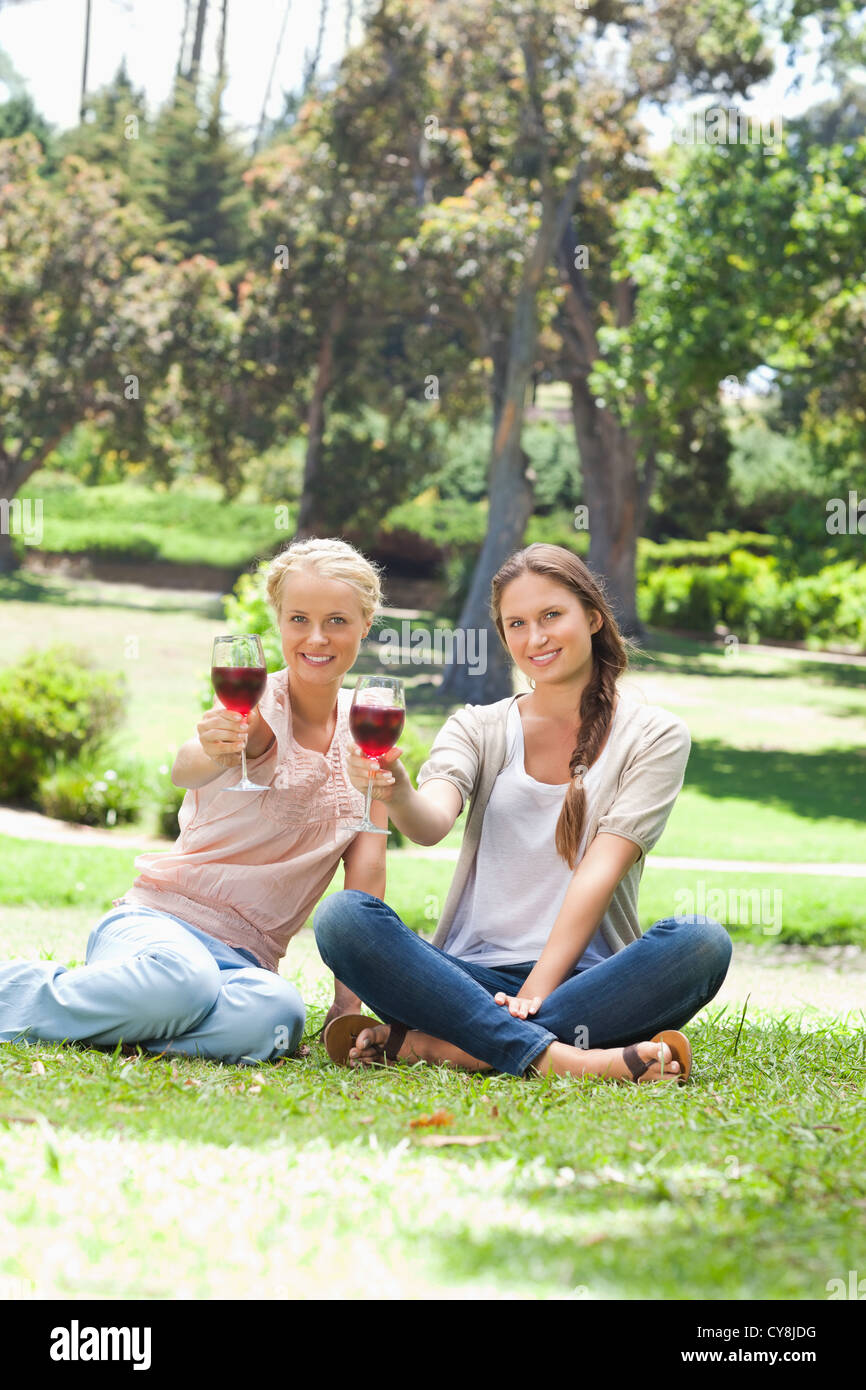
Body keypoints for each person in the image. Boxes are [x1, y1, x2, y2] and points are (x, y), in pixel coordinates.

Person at [315, 543, 732, 1085]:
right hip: (466, 978)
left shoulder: (654, 736)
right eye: (516, 624)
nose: (535, 638)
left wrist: (535, 991)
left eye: (551, 615)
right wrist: (396, 792)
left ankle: (441, 1046)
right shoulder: (478, 727)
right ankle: (570, 1061)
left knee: (701, 941)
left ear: (593, 616)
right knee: (344, 919)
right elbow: (430, 822)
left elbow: (599, 873)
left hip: (591, 981)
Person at [0, 538, 386, 1065]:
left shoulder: (369, 735)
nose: (316, 637)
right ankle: (17, 992)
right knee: (183, 981)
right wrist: (212, 746)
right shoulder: (255, 704)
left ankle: (125, 1023)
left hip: (246, 963)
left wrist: (347, 1005)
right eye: (299, 618)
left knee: (277, 1017)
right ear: (279, 621)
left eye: (337, 621)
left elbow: (366, 880)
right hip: (157, 925)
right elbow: (192, 763)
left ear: (366, 623)